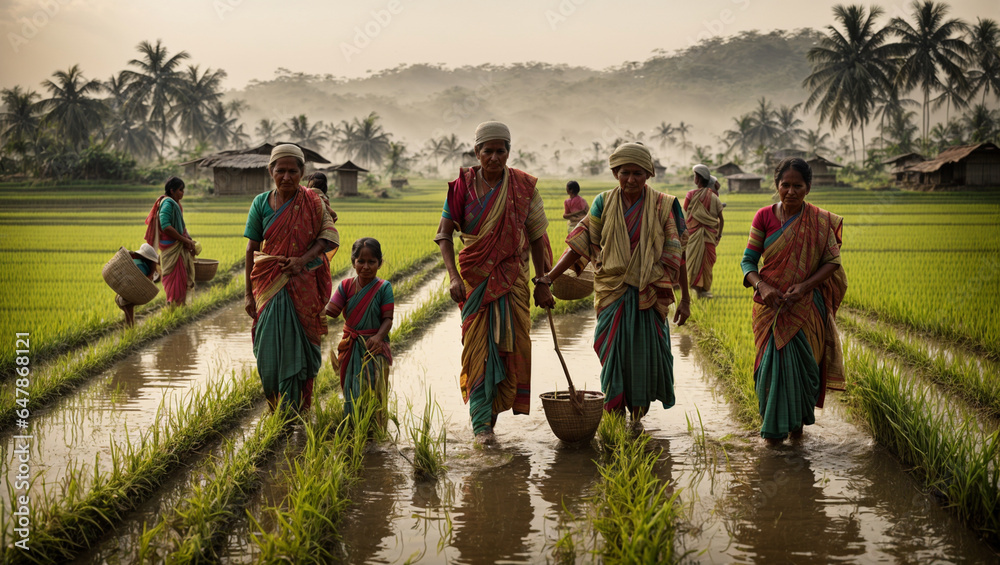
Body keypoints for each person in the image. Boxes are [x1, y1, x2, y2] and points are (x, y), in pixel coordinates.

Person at [537, 142, 690, 432]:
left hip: (649, 292)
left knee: (647, 358)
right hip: (612, 292)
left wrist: (685, 299)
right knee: (611, 355)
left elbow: (677, 254)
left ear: (648, 174)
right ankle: (616, 417)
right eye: (624, 173)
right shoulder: (603, 203)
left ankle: (636, 419)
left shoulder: (662, 205)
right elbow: (579, 245)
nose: (631, 179)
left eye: (637, 173)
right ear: (615, 173)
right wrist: (549, 276)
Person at [434, 120, 552, 444]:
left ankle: (489, 421)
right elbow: (444, 234)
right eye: (488, 151)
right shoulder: (462, 186)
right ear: (477, 152)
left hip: (513, 279)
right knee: (477, 350)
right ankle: (481, 427)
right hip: (474, 281)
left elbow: (538, 237)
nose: (495, 157)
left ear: (509, 152)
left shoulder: (523, 187)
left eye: (501, 151)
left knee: (509, 350)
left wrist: (543, 280)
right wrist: (453, 277)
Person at [741, 157, 847, 444]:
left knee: (804, 372)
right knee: (769, 373)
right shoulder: (764, 216)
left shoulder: (820, 220)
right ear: (776, 186)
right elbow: (748, 262)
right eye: (785, 185)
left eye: (797, 185)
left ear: (808, 187)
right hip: (770, 309)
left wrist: (804, 286)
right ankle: (773, 437)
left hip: (806, 308)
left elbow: (832, 262)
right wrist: (762, 286)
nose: (790, 191)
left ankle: (797, 433)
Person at [244, 144, 339, 412]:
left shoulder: (313, 201)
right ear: (270, 171)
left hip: (303, 283)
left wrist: (301, 261)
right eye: (280, 170)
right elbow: (251, 249)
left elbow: (327, 238)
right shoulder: (260, 203)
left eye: (292, 171)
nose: (286, 176)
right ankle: (277, 408)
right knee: (267, 352)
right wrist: (248, 294)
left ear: (302, 172)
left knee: (304, 349)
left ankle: (299, 410)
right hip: (267, 284)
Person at [326, 237, 393, 423]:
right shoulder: (346, 286)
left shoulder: (384, 288)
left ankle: (374, 430)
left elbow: (388, 319)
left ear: (379, 263)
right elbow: (331, 311)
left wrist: (379, 337)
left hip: (374, 348)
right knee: (352, 389)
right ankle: (354, 425)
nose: (366, 266)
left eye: (371, 262)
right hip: (351, 348)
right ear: (353, 262)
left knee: (374, 389)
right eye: (361, 261)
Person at [144, 176, 196, 306]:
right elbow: (165, 226)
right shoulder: (167, 204)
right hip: (171, 247)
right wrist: (184, 239)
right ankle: (173, 306)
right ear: (172, 191)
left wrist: (189, 240)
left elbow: (182, 228)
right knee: (174, 280)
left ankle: (178, 307)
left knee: (181, 279)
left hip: (177, 246)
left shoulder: (176, 204)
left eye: (183, 190)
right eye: (180, 190)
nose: (182, 193)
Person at [684, 164, 725, 299]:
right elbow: (721, 219)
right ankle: (703, 290)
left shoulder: (690, 194)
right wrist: (719, 235)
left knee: (694, 262)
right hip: (709, 236)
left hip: (693, 234)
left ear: (698, 178)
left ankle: (697, 290)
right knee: (706, 264)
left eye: (695, 176)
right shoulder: (714, 197)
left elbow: (686, 212)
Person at [114, 243, 159, 327]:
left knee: (128, 315)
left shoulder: (136, 263)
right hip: (132, 292)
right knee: (129, 315)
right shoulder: (143, 266)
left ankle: (130, 333)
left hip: (127, 290)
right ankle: (130, 332)